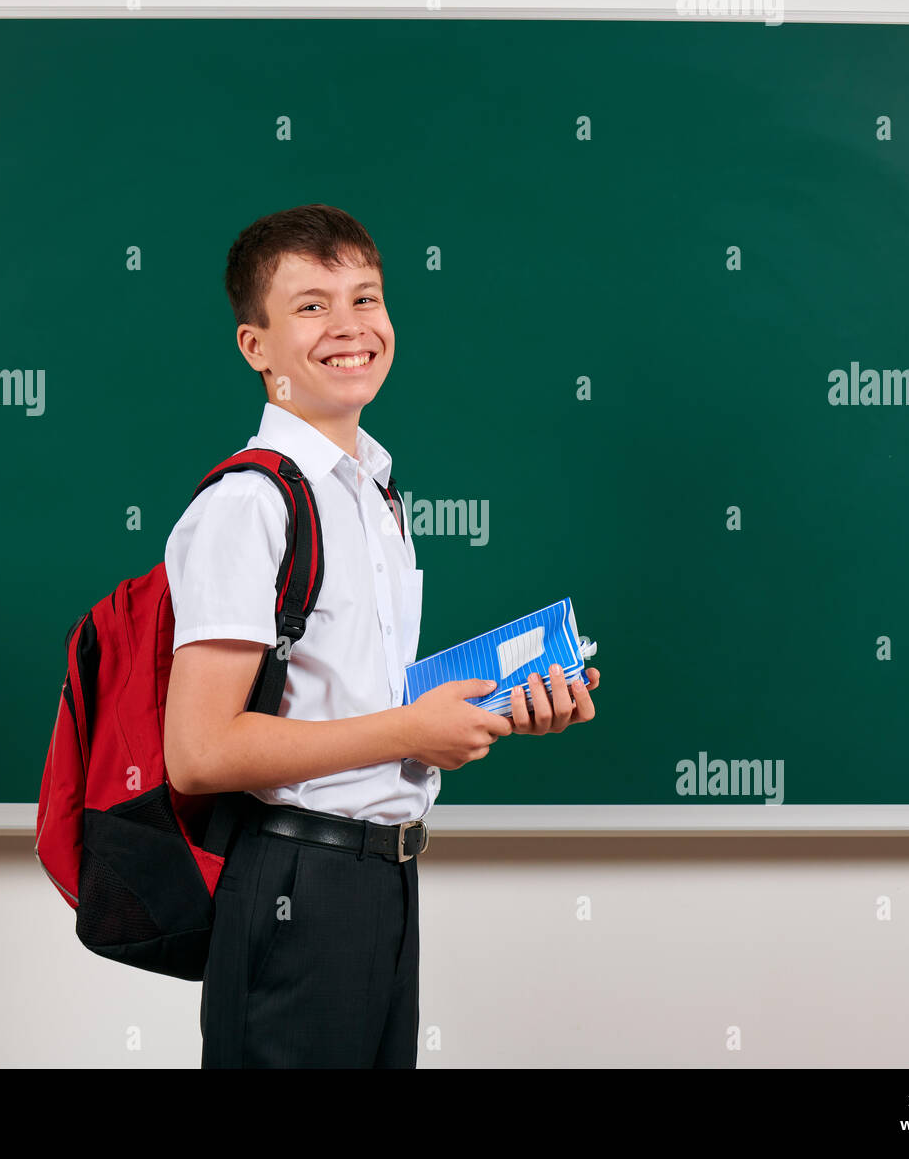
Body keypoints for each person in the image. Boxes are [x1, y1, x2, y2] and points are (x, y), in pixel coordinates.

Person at [163, 203, 600, 1068]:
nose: (351, 326)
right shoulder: (248, 506)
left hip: (384, 881)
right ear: (256, 346)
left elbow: (357, 700)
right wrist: (410, 732)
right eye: (312, 305)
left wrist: (500, 704)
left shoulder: (375, 493)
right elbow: (199, 751)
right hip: (294, 886)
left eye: (366, 297)